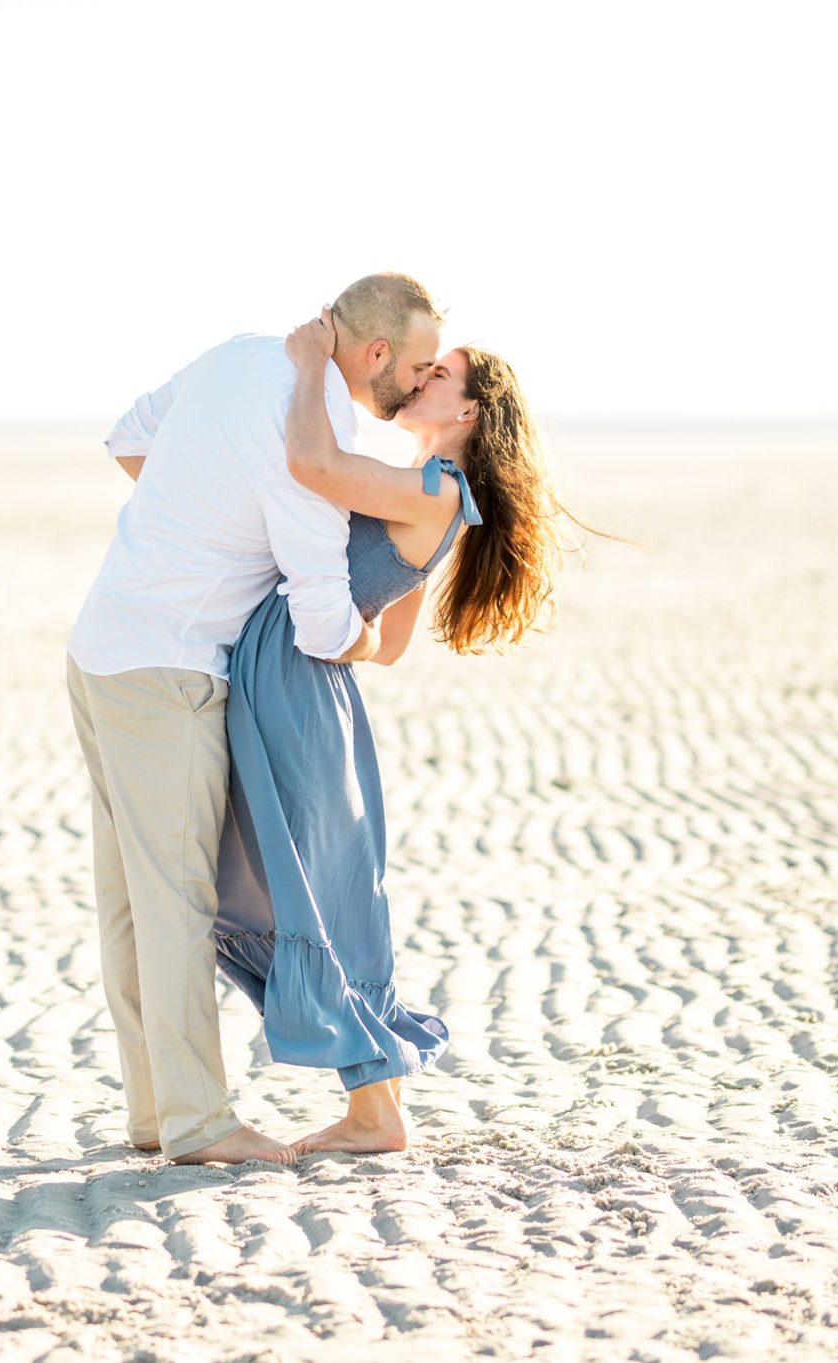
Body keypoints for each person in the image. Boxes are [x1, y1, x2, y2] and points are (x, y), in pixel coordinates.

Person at [66, 274, 444, 1165]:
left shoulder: (239, 354)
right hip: (171, 670)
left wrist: (200, 518)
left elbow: (129, 440)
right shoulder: (321, 430)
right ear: (376, 352)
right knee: (177, 903)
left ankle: (156, 1111)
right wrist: (367, 639)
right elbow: (321, 622)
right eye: (416, 366)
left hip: (100, 644)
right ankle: (199, 1123)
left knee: (130, 900)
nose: (418, 384)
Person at [213, 306, 578, 1154]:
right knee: (320, 878)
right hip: (309, 675)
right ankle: (373, 1109)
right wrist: (344, 631)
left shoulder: (436, 489)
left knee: (309, 879)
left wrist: (312, 363)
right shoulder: (430, 490)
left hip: (298, 679)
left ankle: (376, 1114)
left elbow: (311, 465)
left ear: (469, 411)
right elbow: (391, 643)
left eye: (438, 374)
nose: (420, 379)